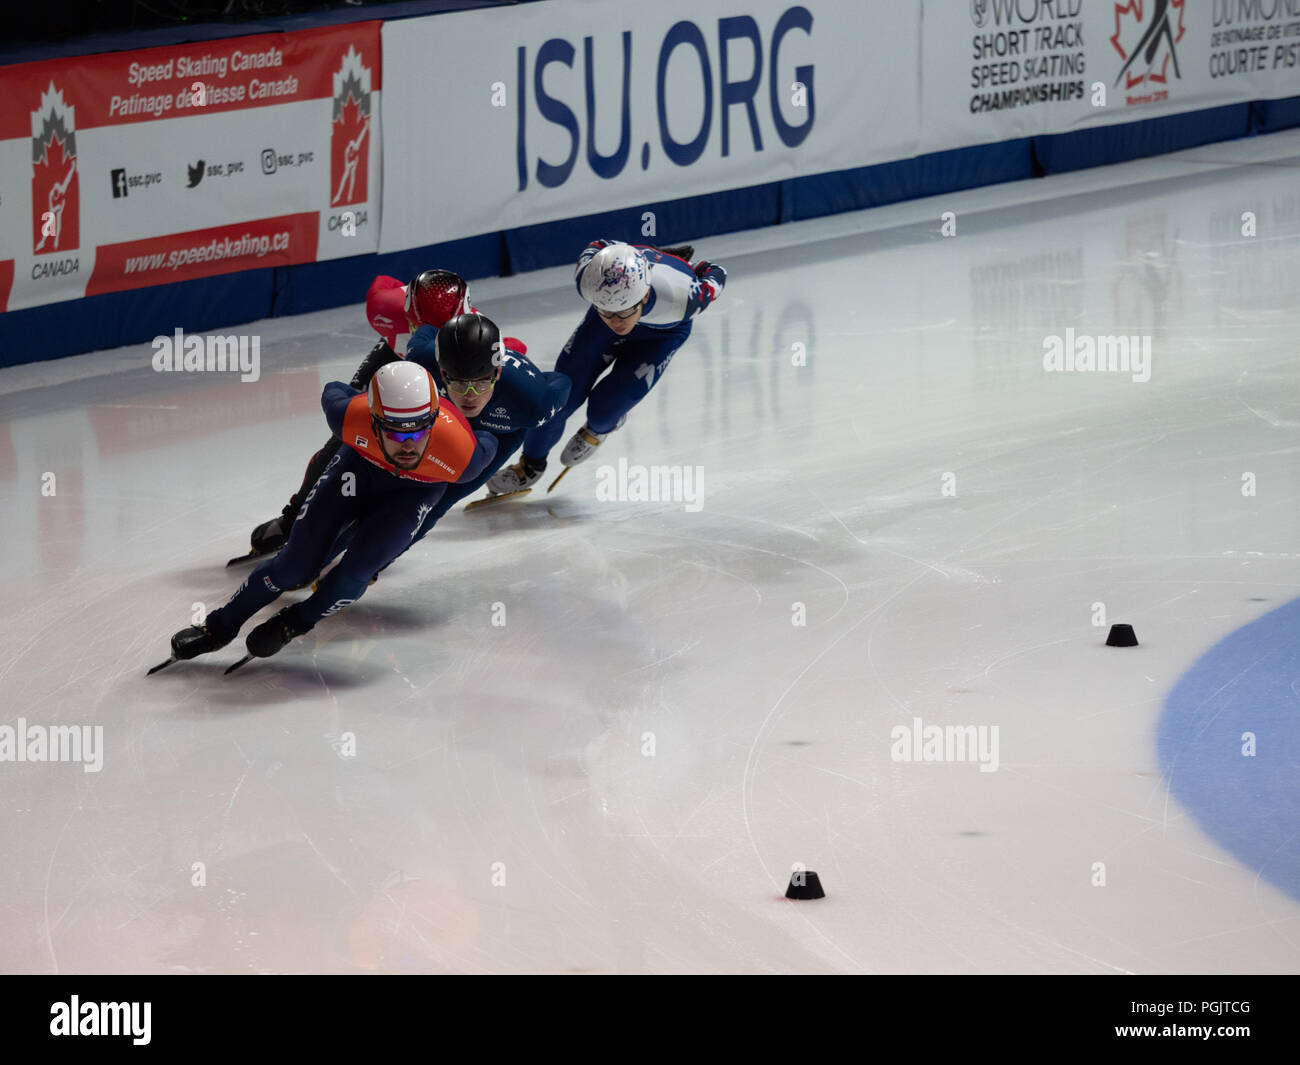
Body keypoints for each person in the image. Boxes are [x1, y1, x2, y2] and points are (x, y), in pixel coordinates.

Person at [154, 360, 497, 670]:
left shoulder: (462, 456)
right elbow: (334, 390)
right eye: (395, 431)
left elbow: (492, 439)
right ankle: (220, 625)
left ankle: (298, 621)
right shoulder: (348, 416)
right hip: (359, 472)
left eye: (419, 430)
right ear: (373, 420)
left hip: (416, 492)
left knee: (356, 571)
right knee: (292, 567)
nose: (407, 444)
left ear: (434, 422)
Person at [301, 312, 570, 575]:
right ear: (441, 370)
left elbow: (563, 382)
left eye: (480, 383)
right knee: (382, 483)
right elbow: (426, 328)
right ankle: (316, 557)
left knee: (441, 500)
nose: (469, 395)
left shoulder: (534, 402)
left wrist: (531, 375)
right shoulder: (423, 355)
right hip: (441, 421)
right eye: (457, 381)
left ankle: (377, 559)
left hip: (497, 434)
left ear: (497, 374)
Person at [244, 268, 474, 557]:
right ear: (405, 310)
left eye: (441, 331)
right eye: (421, 328)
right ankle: (293, 516)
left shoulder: (474, 335)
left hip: (439, 373)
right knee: (345, 433)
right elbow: (385, 282)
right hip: (391, 359)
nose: (427, 337)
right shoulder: (385, 305)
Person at [487, 240, 726, 494]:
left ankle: (602, 426)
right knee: (556, 401)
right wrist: (634, 254)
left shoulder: (684, 298)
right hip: (599, 326)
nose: (615, 322)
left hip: (662, 335)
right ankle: (530, 465)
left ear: (644, 295)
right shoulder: (587, 278)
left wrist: (691, 265)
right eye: (607, 311)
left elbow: (716, 272)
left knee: (605, 409)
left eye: (622, 313)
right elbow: (600, 244)